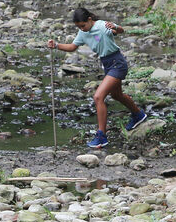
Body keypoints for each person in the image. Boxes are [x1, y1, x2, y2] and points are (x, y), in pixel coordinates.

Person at [47, 8, 146, 148]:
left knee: (98, 97)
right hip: (107, 64)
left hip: (117, 63)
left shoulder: (101, 25)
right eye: (78, 27)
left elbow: (119, 31)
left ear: (89, 20)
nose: (81, 29)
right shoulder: (83, 32)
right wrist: (56, 45)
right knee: (117, 95)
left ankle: (101, 136)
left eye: (83, 25)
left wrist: (116, 27)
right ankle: (138, 114)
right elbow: (72, 47)